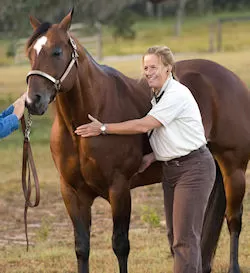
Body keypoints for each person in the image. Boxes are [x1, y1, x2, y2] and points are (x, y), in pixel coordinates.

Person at [74, 46, 216, 273]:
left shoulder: (175, 94)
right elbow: (175, 134)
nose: (148, 72)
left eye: (154, 67)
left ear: (168, 68)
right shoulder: (158, 96)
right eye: (145, 67)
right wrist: (153, 156)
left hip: (193, 169)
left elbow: (144, 125)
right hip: (172, 169)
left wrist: (102, 128)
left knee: (184, 240)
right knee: (177, 237)